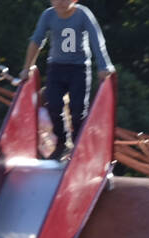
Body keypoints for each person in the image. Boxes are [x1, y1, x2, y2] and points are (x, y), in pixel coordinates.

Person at [22, 1, 114, 159]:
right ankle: (62, 143)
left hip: (79, 68)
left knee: (78, 109)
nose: (61, 3)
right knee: (53, 105)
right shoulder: (48, 15)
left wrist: (103, 65)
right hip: (56, 67)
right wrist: (27, 67)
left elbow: (96, 40)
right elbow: (37, 40)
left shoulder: (83, 14)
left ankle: (79, 144)